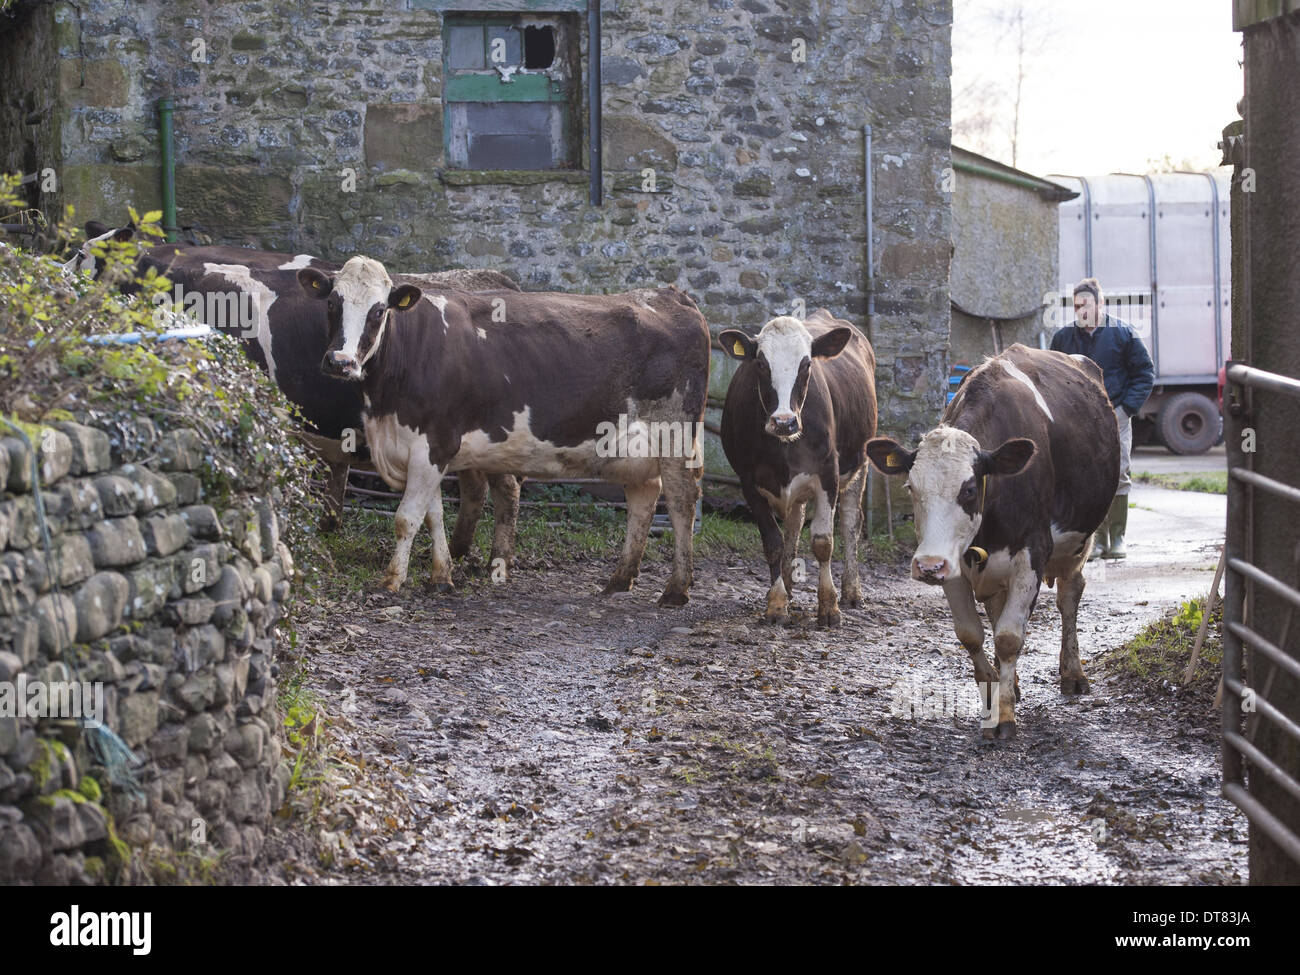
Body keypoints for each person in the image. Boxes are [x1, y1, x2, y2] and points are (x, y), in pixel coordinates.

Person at [1050, 278, 1154, 559]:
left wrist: (1126, 410)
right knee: (1083, 479)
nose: (1082, 309)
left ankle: (1117, 539)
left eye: (1088, 303)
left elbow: (1145, 373)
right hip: (1078, 422)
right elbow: (1052, 378)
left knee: (1118, 473)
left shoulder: (1123, 334)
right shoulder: (1063, 338)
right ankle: (1091, 541)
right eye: (1077, 305)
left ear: (1101, 303)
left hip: (1116, 416)